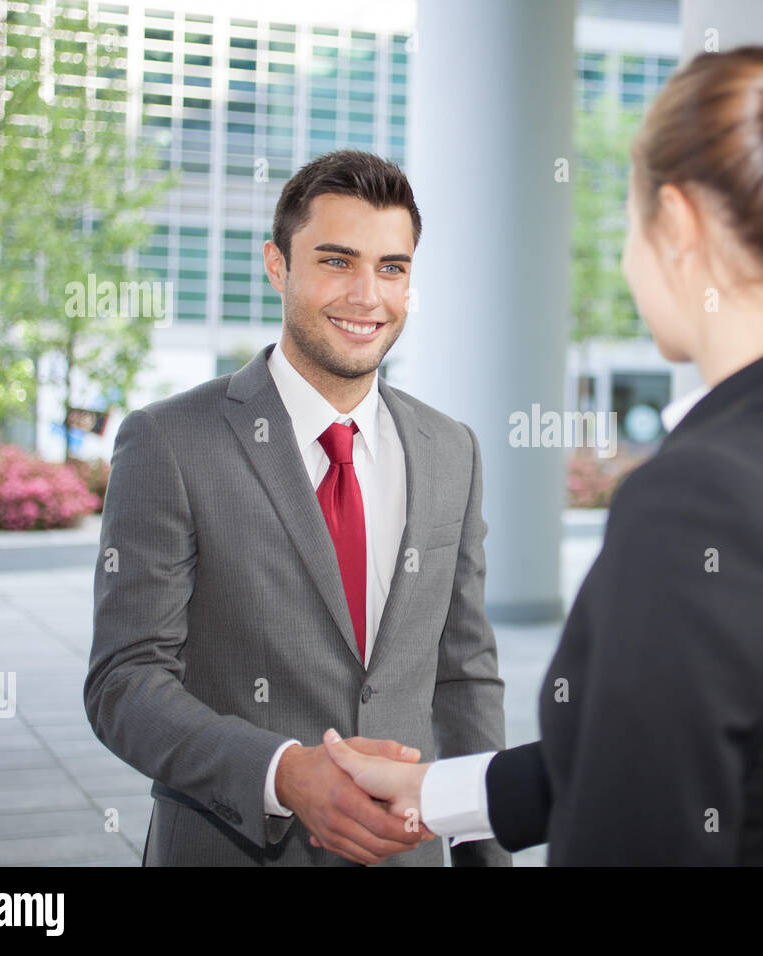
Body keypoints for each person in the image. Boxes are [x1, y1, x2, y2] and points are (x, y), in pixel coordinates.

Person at [320, 46, 763, 865]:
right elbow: (676, 754)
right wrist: (435, 793)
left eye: (629, 221)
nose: (628, 258)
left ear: (678, 224)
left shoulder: (701, 500)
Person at [85, 149, 510, 867]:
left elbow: (464, 676)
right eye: (337, 261)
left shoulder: (451, 449)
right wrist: (281, 773)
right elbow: (123, 682)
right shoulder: (170, 441)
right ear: (277, 266)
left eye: (392, 268)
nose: (367, 296)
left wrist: (485, 857)